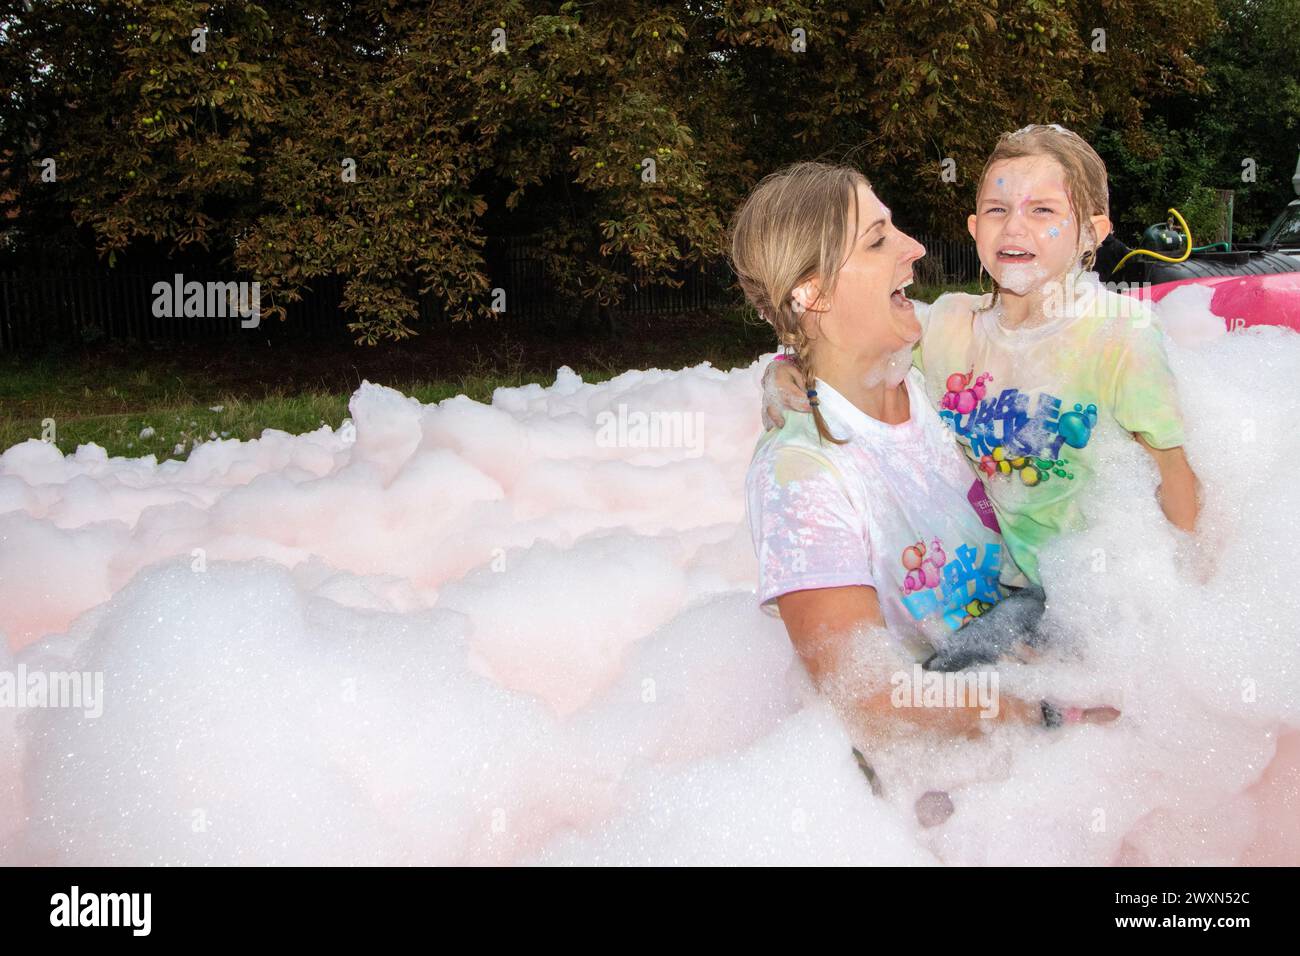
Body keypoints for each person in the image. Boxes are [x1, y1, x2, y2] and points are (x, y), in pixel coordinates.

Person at [729, 161, 1118, 749]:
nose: (913, 249)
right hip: (970, 733)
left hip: (1050, 635)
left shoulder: (936, 370)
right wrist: (1047, 715)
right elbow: (871, 701)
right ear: (813, 291)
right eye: (878, 240)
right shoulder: (801, 476)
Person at [763, 125, 1201, 589]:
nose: (1014, 226)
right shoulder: (947, 324)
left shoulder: (1120, 335)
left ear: (1092, 233)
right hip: (1004, 584)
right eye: (997, 209)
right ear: (975, 228)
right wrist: (782, 369)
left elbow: (1174, 479)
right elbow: (847, 344)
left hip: (1101, 588)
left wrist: (1185, 593)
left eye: (1042, 210)